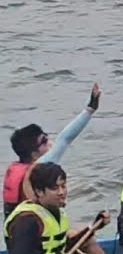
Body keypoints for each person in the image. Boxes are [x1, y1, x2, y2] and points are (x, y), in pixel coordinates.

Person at [4, 162, 120, 254]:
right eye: (54, 188)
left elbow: (60, 244)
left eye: (63, 186)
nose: (61, 192)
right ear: (39, 191)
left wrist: (94, 227)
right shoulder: (27, 220)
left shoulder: (55, 211)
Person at [5, 83, 101, 217]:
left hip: (13, 234)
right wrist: (90, 109)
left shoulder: (16, 171)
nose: (50, 144)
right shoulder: (36, 170)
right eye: (44, 142)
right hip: (33, 231)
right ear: (34, 154)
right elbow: (65, 139)